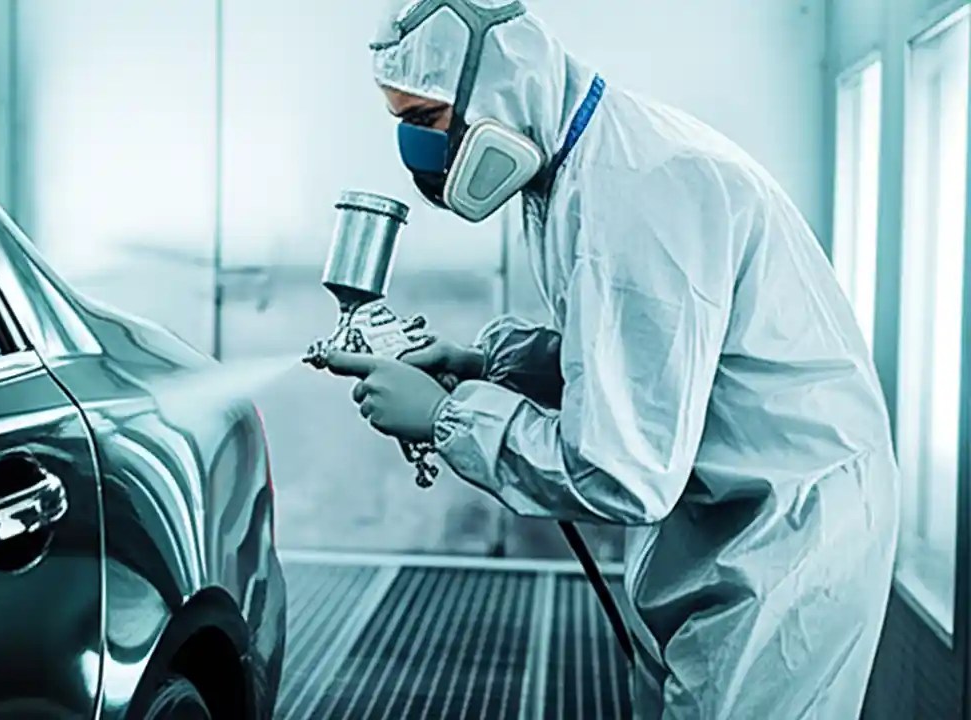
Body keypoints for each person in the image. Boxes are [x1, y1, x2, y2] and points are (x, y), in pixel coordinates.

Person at [324, 1, 900, 717]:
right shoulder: (577, 166)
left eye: (425, 119)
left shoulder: (645, 188)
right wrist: (486, 364)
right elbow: (641, 353)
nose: (415, 149)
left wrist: (449, 416)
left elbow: (621, 471)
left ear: (499, 93)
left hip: (786, 535)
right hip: (719, 511)